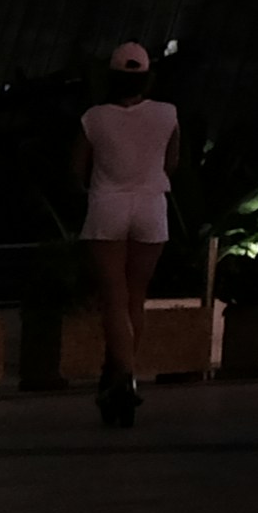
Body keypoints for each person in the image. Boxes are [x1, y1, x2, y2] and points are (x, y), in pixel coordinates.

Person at [75, 43, 180, 427]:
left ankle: (122, 378)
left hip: (108, 206)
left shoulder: (94, 118)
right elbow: (172, 163)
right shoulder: (168, 114)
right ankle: (123, 375)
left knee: (113, 298)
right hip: (152, 206)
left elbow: (77, 168)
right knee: (136, 296)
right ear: (146, 77)